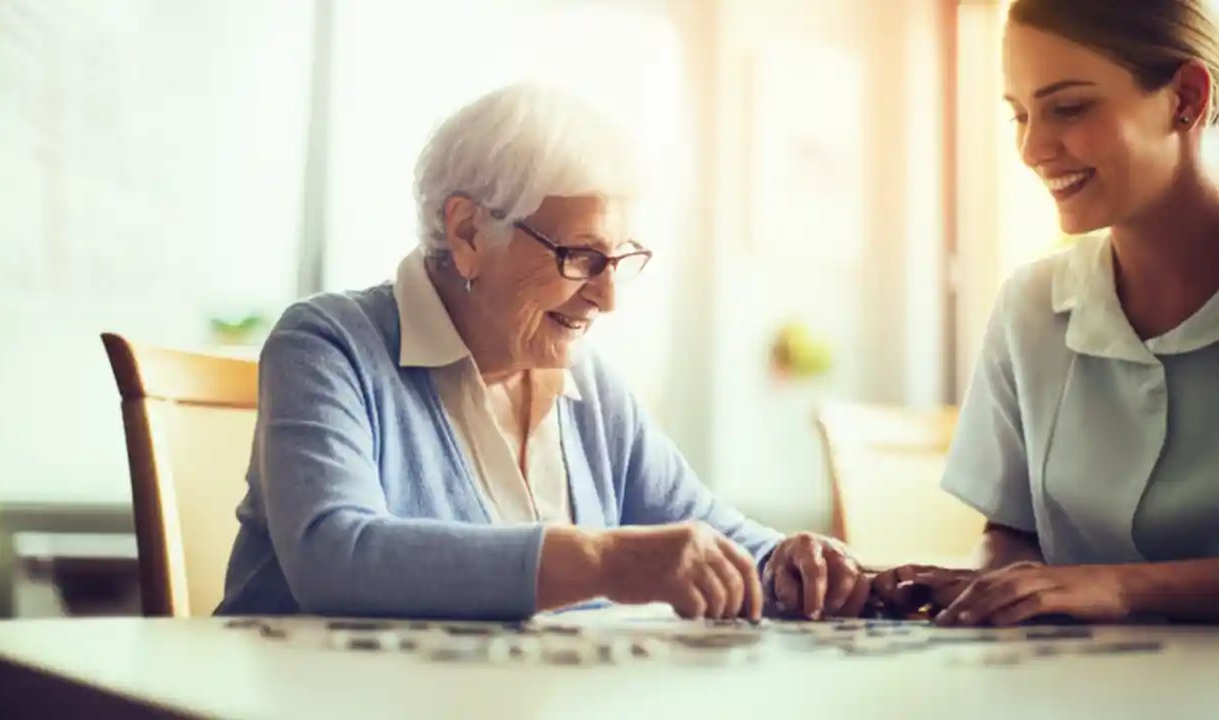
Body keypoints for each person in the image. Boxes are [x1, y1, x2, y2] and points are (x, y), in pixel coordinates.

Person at [217, 84, 868, 621]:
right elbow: (337, 556)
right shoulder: (329, 345)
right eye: (581, 256)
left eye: (619, 259)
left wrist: (794, 563)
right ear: (469, 232)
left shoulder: (591, 390)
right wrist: (604, 559)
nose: (607, 298)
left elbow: (711, 537)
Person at [877, 0, 1219, 626]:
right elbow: (1012, 535)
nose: (1033, 148)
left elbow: (1096, 584)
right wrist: (987, 582)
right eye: (1020, 114)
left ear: (1187, 99)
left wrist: (1120, 588)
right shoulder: (1030, 306)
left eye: (1069, 108)